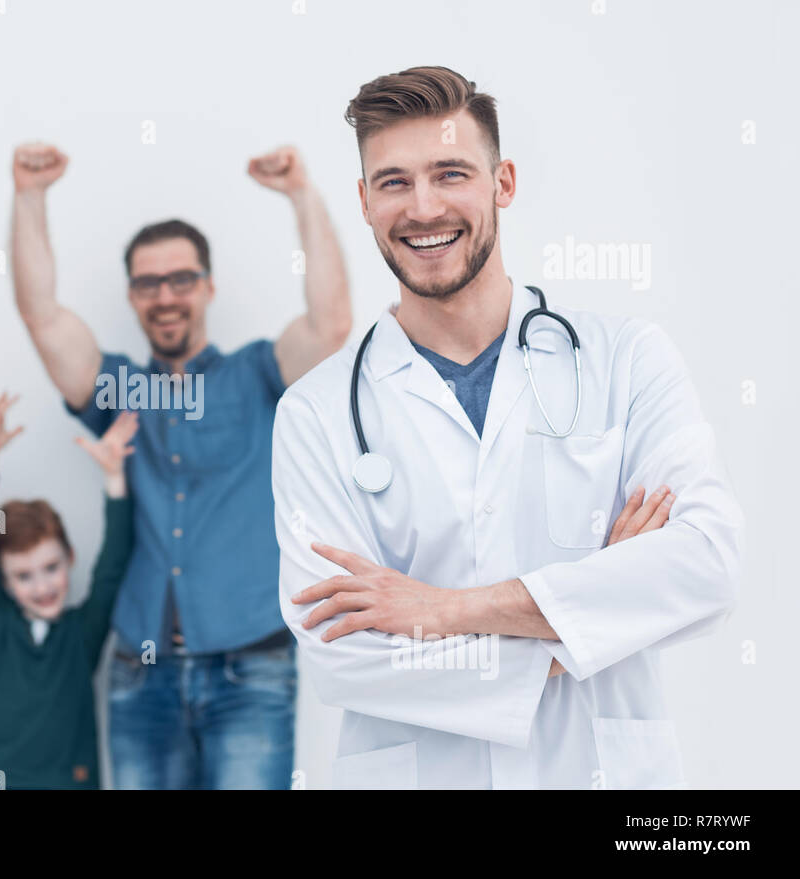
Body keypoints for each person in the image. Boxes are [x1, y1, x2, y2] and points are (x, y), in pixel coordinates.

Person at [271, 66, 745, 789]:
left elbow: (705, 563)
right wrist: (598, 608)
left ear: (504, 183)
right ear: (364, 203)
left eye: (451, 172)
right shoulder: (315, 413)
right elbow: (345, 655)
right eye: (394, 182)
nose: (423, 207)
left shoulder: (625, 359)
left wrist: (442, 609)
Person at [9, 142, 352, 789]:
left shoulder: (259, 374)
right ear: (133, 295)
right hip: (141, 675)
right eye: (147, 283)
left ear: (207, 286)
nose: (165, 296)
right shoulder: (118, 389)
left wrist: (302, 194)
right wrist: (30, 196)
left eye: (181, 279)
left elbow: (331, 324)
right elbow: (42, 317)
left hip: (250, 669)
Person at [0, 395, 136, 790]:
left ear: (70, 558)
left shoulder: (83, 630)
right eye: (23, 576)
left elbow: (112, 565)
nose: (42, 587)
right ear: (4, 581)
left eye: (51, 568)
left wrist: (114, 478)